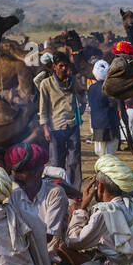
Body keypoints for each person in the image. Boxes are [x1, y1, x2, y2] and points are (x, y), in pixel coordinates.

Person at [2, 142, 70, 253]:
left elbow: (47, 236)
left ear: (37, 172)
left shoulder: (55, 194)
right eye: (14, 172)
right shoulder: (13, 195)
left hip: (49, 256)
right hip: (22, 253)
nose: (16, 177)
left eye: (20, 172)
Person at [36, 54, 82, 187]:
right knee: (56, 162)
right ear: (54, 67)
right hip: (55, 128)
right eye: (60, 66)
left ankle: (74, 190)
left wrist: (83, 104)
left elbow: (82, 92)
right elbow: (43, 107)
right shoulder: (46, 84)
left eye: (65, 66)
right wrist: (45, 128)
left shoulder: (73, 81)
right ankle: (57, 189)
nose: (63, 68)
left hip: (72, 125)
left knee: (74, 161)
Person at [88, 59, 125, 156]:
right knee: (110, 153)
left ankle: (102, 170)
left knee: (100, 153)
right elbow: (113, 104)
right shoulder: (109, 87)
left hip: (97, 124)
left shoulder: (91, 87)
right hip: (110, 124)